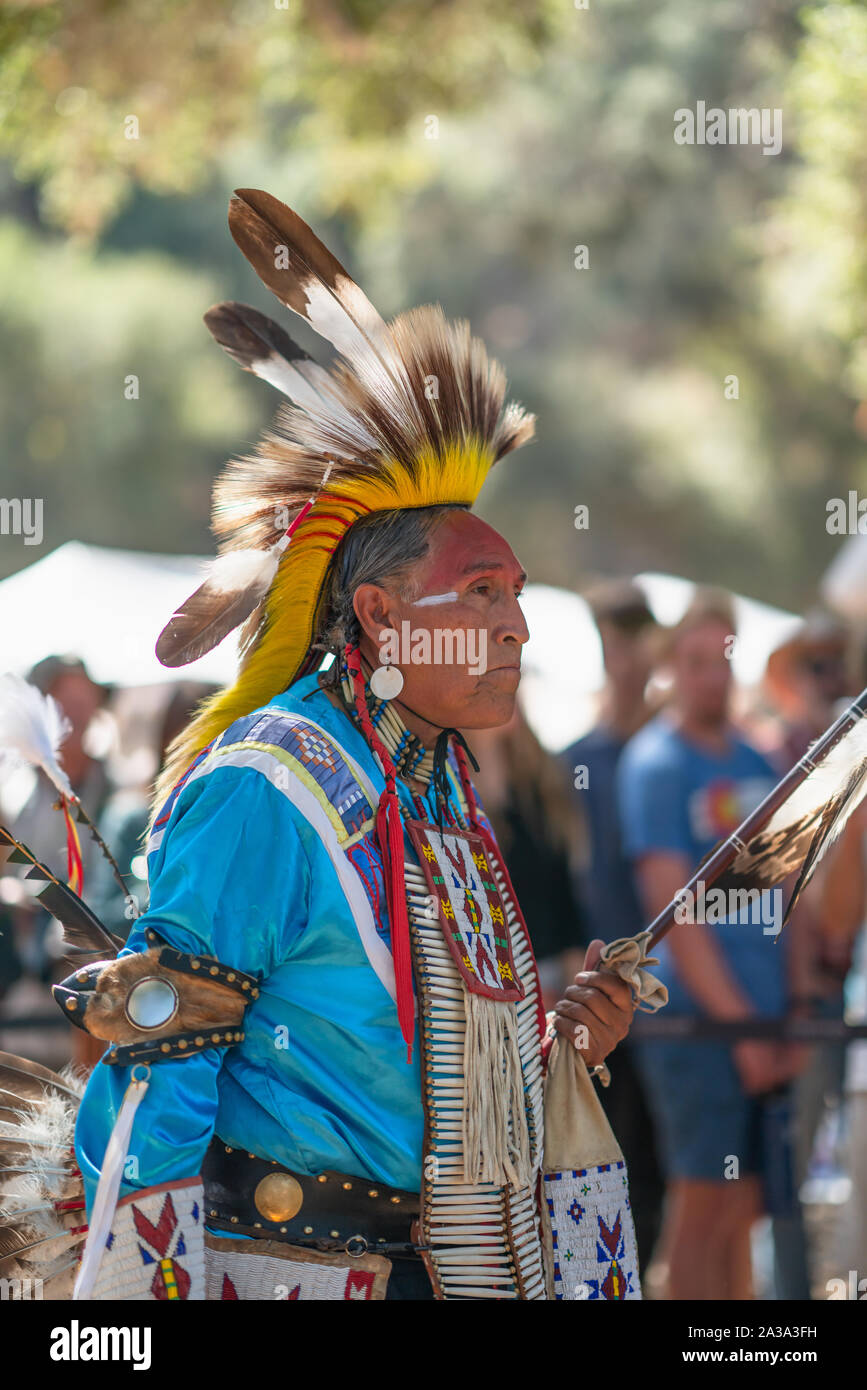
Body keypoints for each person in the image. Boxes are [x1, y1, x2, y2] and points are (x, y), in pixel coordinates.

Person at [1, 190, 643, 1302]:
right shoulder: (269, 785)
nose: (518, 626)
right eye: (480, 592)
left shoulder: (440, 791)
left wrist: (562, 1055)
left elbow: (401, 1077)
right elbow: (161, 1067)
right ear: (384, 618)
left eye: (518, 593)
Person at [619, 589, 804, 1300]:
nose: (710, 676)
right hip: (696, 1028)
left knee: (742, 1206)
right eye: (694, 662)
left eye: (722, 658)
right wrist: (741, 1032)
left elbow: (786, 894)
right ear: (672, 667)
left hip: (763, 1021)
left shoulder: (757, 760)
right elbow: (676, 914)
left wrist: (788, 1010)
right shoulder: (656, 763)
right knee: (700, 1208)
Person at [561, 579, 665, 1276]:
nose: (623, 656)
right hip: (596, 993)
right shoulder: (571, 762)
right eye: (610, 639)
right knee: (610, 1157)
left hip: (669, 996)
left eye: (633, 638)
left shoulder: (667, 753)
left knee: (666, 1166)